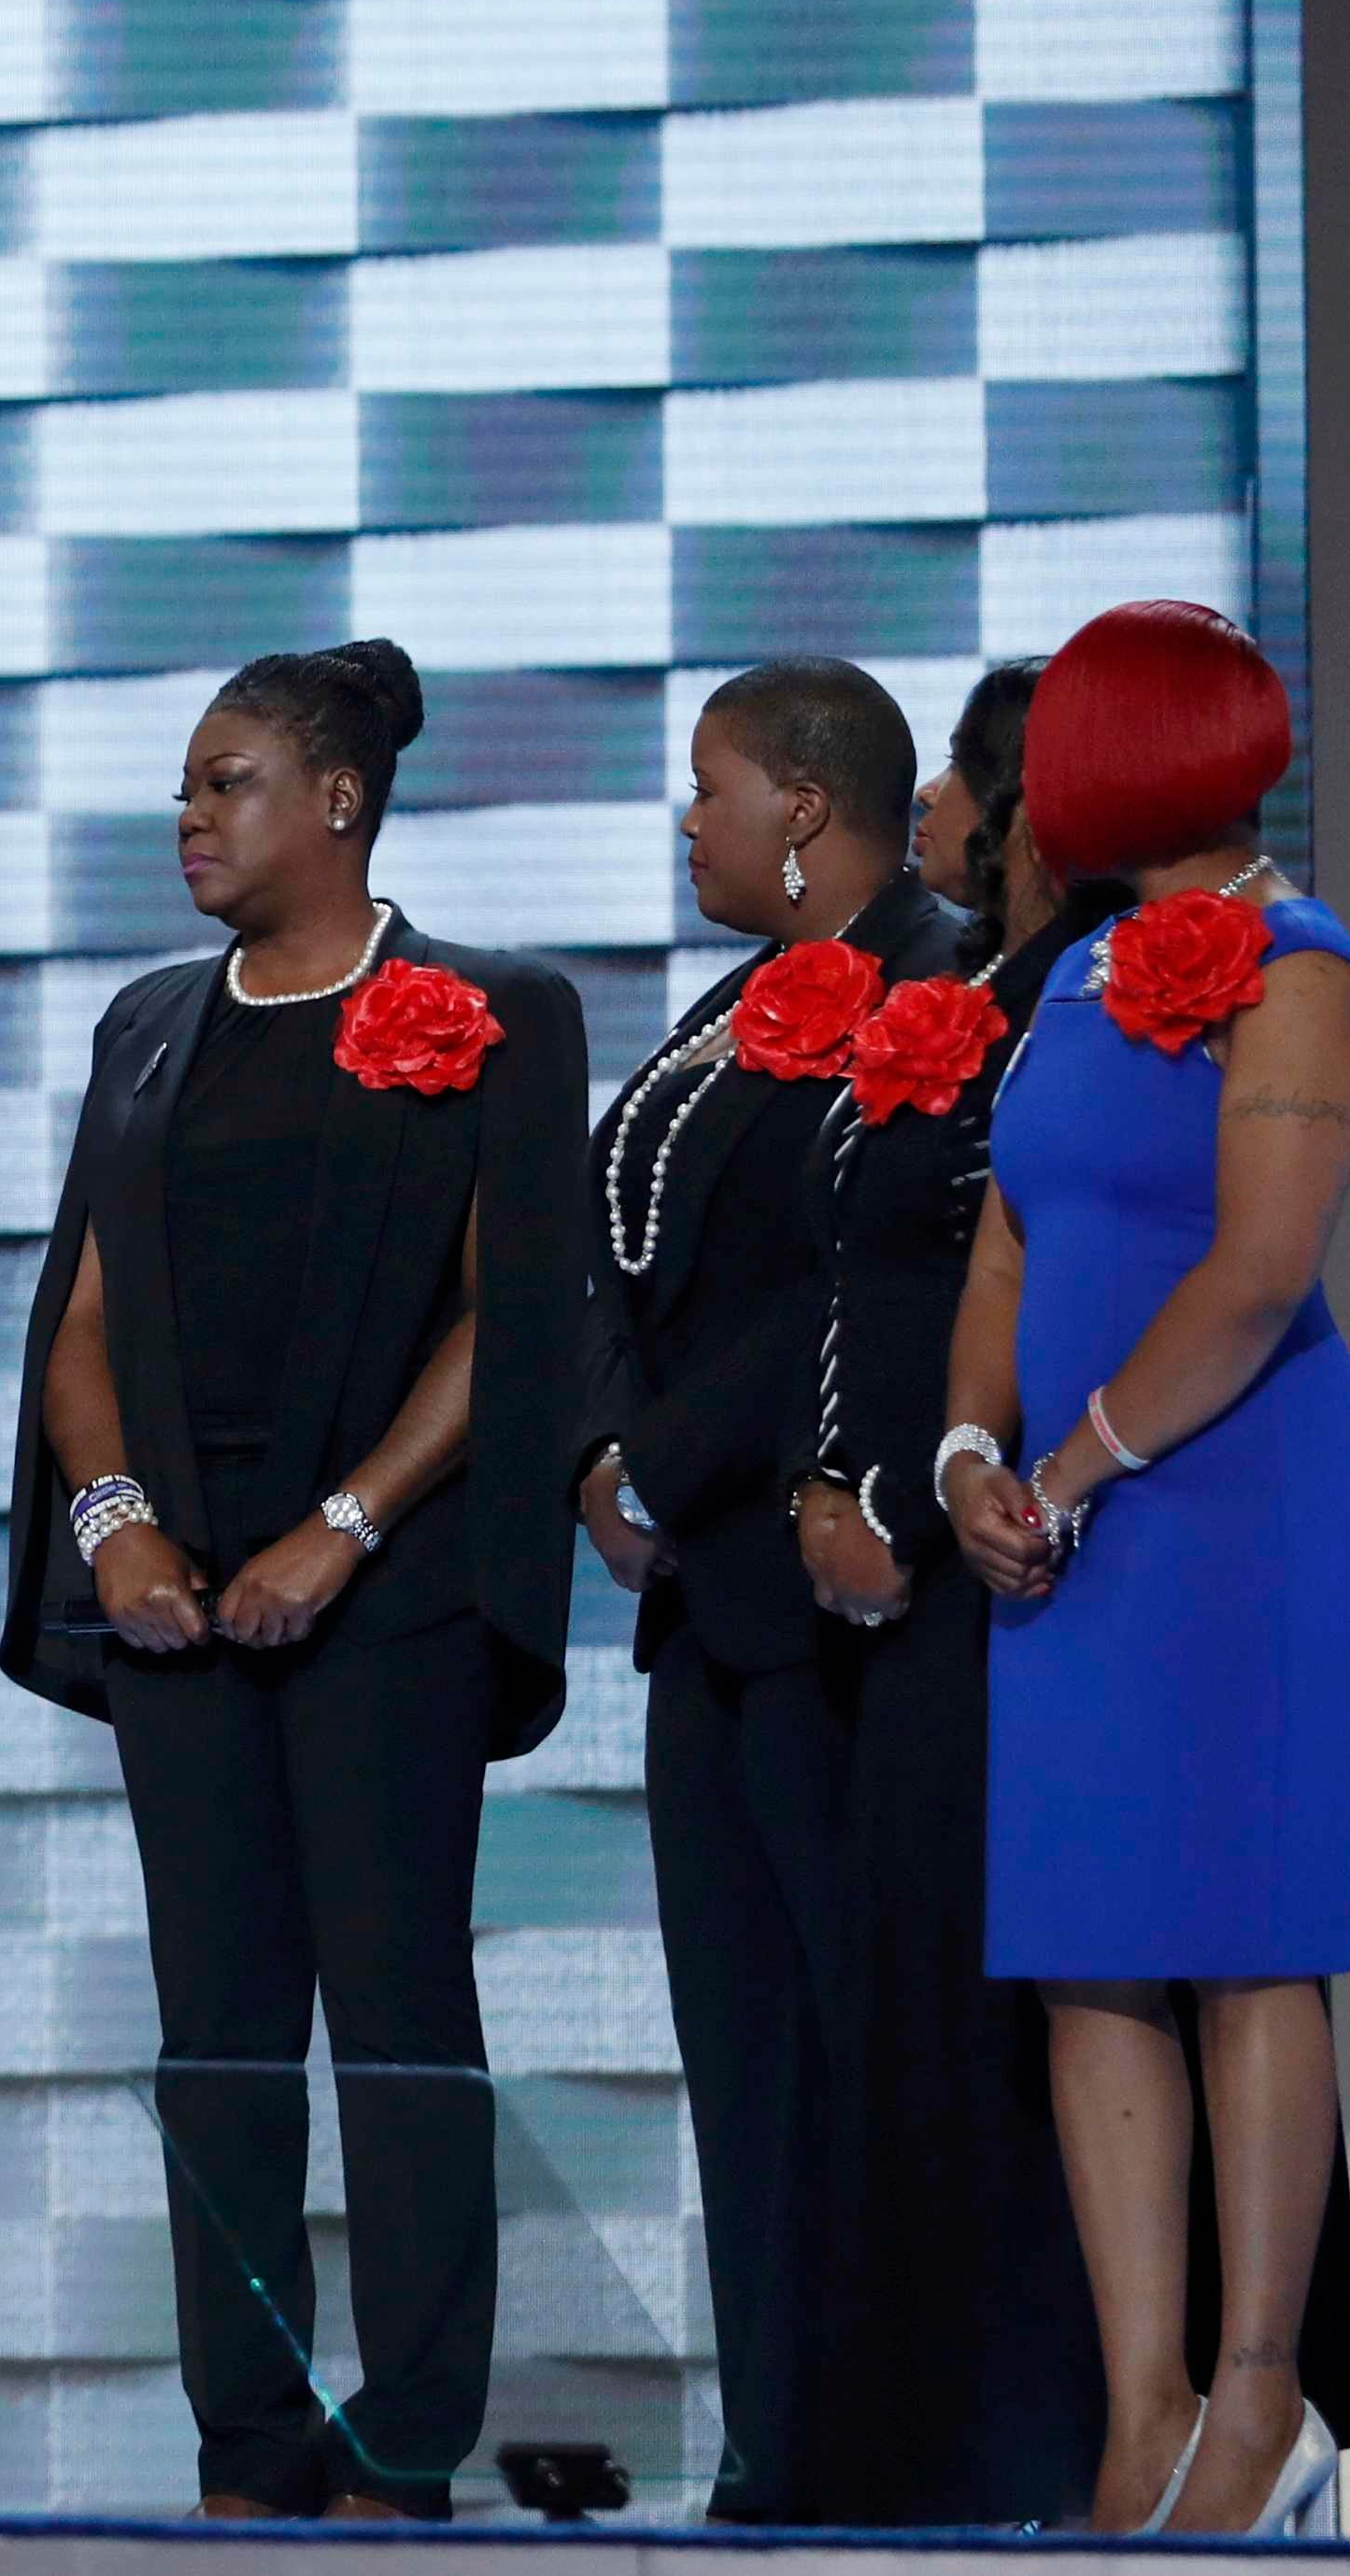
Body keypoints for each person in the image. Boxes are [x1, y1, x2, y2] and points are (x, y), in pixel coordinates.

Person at [0, 643, 584, 2521]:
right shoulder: (149, 1024)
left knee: (399, 2025)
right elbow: (82, 1312)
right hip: (175, 1604)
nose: (188, 816)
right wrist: (115, 1526)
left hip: (389, 1600)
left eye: (223, 781)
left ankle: (407, 2444)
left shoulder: (496, 1010)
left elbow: (516, 1313)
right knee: (219, 2044)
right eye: (183, 786)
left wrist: (346, 1523)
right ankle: (246, 2446)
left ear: (338, 799)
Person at [946, 600, 1350, 2537]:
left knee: (1241, 1933)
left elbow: (1261, 1272)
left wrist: (1076, 1462)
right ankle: (1145, 2414)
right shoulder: (1076, 975)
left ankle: (1262, 2400)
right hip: (1063, 1514)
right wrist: (968, 1453)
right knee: (1087, 1948)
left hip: (1231, 1503)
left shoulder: (1305, 971)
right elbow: (1011, 1241)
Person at [576, 658, 959, 2525]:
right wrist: (597, 1456)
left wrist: (663, 1458)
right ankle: (775, 2453)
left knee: (858, 2049)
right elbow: (616, 1254)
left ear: (805, 807)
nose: (688, 822)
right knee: (742, 2063)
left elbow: (853, 1280)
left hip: (838, 1611)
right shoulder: (740, 1004)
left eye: (709, 786)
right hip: (701, 1616)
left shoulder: (938, 987)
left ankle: (886, 2463)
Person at [781, 657, 1116, 2523]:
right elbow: (873, 1277)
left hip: (1019, 1565)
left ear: (1020, 810)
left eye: (957, 782)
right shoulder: (970, 993)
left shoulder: (1093, 1003)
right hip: (908, 1561)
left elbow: (1042, 1286)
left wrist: (923, 1496)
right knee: (912, 2006)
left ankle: (1046, 2448)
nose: (923, 813)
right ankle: (927, 2456)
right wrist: (835, 1482)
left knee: (1012, 2009)